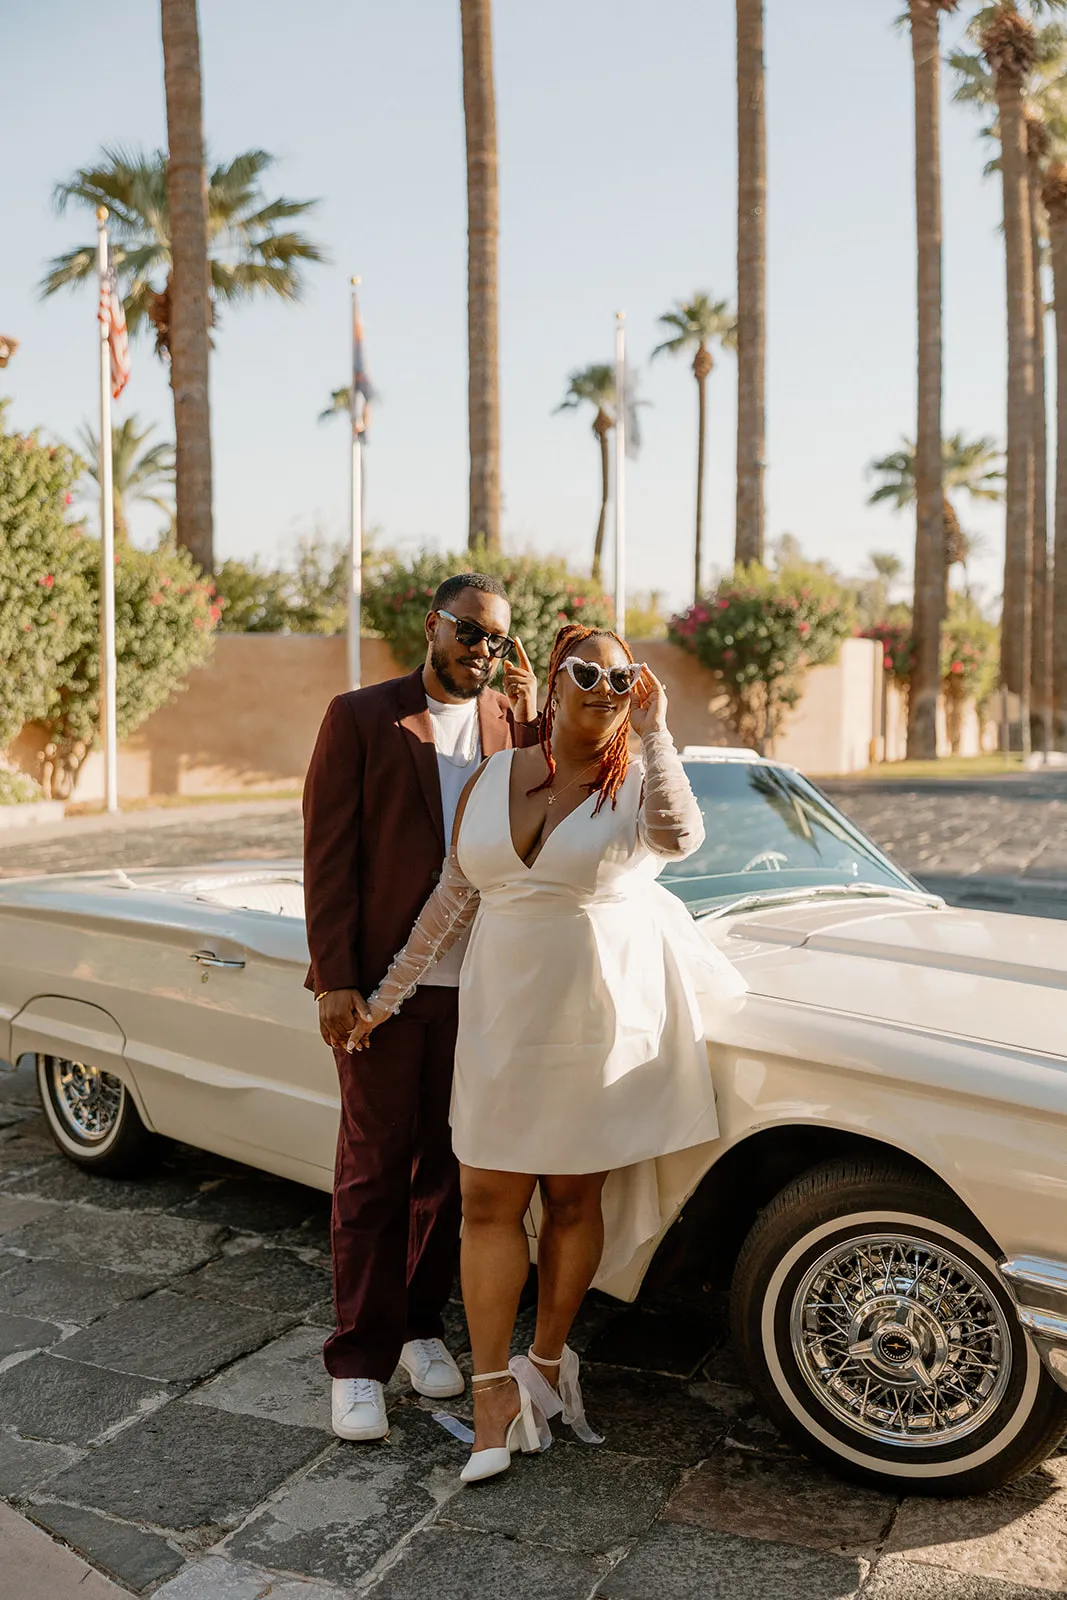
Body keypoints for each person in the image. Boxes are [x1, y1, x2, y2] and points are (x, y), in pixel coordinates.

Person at [346, 622, 746, 1481]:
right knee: (487, 1199)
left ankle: (548, 1361)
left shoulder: (638, 782)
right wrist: (384, 998)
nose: (603, 684)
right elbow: (451, 896)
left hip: (591, 1023)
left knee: (569, 1200)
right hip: (501, 1018)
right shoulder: (491, 775)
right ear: (554, 683)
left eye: (620, 675)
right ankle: (492, 1392)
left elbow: (680, 840)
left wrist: (656, 727)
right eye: (586, 671)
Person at [303, 572, 539, 1442]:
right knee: (372, 1172)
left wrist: (538, 713)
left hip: (483, 990)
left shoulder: (510, 726)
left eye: (498, 640)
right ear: (432, 626)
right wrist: (334, 976)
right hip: (380, 994)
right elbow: (328, 855)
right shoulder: (361, 716)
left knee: (450, 1173)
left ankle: (415, 1325)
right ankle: (358, 1360)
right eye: (471, 633)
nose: (483, 651)